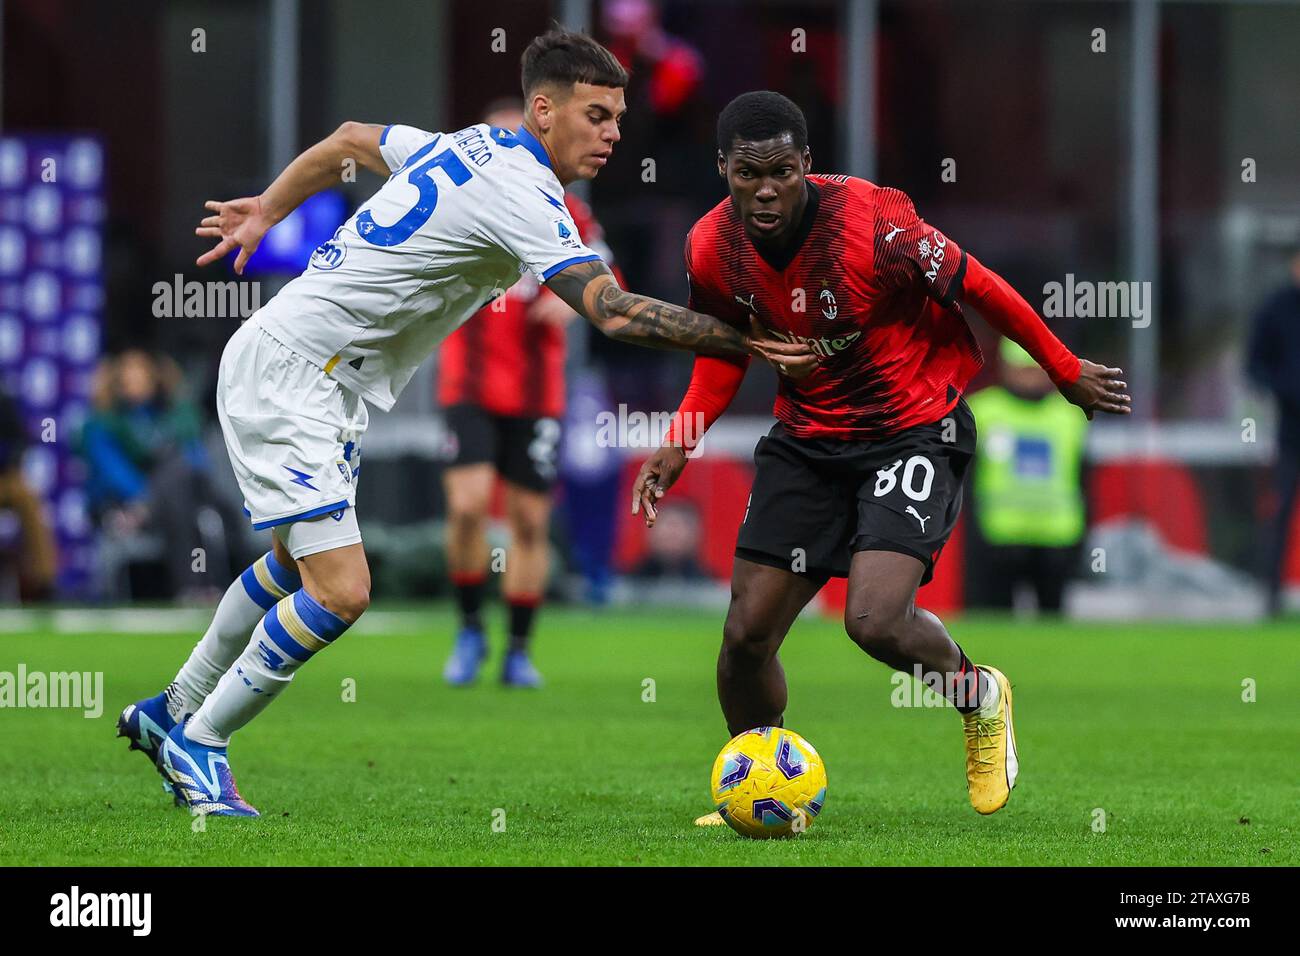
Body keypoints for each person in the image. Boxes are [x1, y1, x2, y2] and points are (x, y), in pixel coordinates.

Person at [116, 31, 816, 817]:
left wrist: (267, 211)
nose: (614, 133)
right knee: (342, 592)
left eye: (619, 117)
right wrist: (741, 339)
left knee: (290, 564)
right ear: (543, 110)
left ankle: (173, 708)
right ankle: (201, 741)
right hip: (294, 377)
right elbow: (612, 312)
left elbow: (348, 141)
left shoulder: (470, 144)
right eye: (596, 115)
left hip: (310, 374)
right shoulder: (524, 191)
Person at [632, 92, 1130, 822]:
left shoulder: (874, 223)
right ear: (723, 169)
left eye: (780, 172)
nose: (764, 190)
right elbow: (721, 354)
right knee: (744, 636)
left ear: (807, 165)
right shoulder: (711, 247)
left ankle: (980, 695)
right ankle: (759, 783)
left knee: (873, 620)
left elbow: (980, 284)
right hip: (807, 442)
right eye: (747, 174)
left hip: (914, 429)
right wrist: (678, 445)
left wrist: (1061, 367)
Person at [438, 100, 615, 689]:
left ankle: (517, 649)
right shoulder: (460, 196)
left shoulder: (564, 205)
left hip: (538, 390)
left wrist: (569, 304)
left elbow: (601, 267)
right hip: (469, 379)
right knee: (466, 506)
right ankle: (469, 629)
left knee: (529, 523)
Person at [81, 350, 237, 601]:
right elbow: (114, 473)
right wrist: (146, 498)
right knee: (178, 484)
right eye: (127, 378)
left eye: (141, 377)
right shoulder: (102, 423)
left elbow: (197, 462)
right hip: (122, 506)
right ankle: (197, 586)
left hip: (165, 506)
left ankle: (191, 587)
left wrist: (150, 504)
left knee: (178, 476)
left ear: (154, 380)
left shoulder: (172, 416)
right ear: (117, 383)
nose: (134, 383)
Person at [965, 339, 1089, 613]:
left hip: (1058, 537)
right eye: (1022, 370)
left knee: (1054, 628)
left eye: (1035, 370)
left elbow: (1084, 482)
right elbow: (965, 482)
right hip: (998, 535)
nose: (1029, 378)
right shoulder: (981, 410)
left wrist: (1083, 541)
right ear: (1005, 368)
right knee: (994, 624)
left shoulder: (1071, 415)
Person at [1246, 246, 1300, 616]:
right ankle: (1270, 596)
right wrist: (1285, 388)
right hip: (1291, 428)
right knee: (1281, 510)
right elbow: (1254, 365)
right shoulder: (1276, 307)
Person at [0, 387, 57, 601]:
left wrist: (10, 461)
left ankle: (45, 581)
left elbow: (18, 441)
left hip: (4, 477)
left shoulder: (4, 399)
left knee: (28, 498)